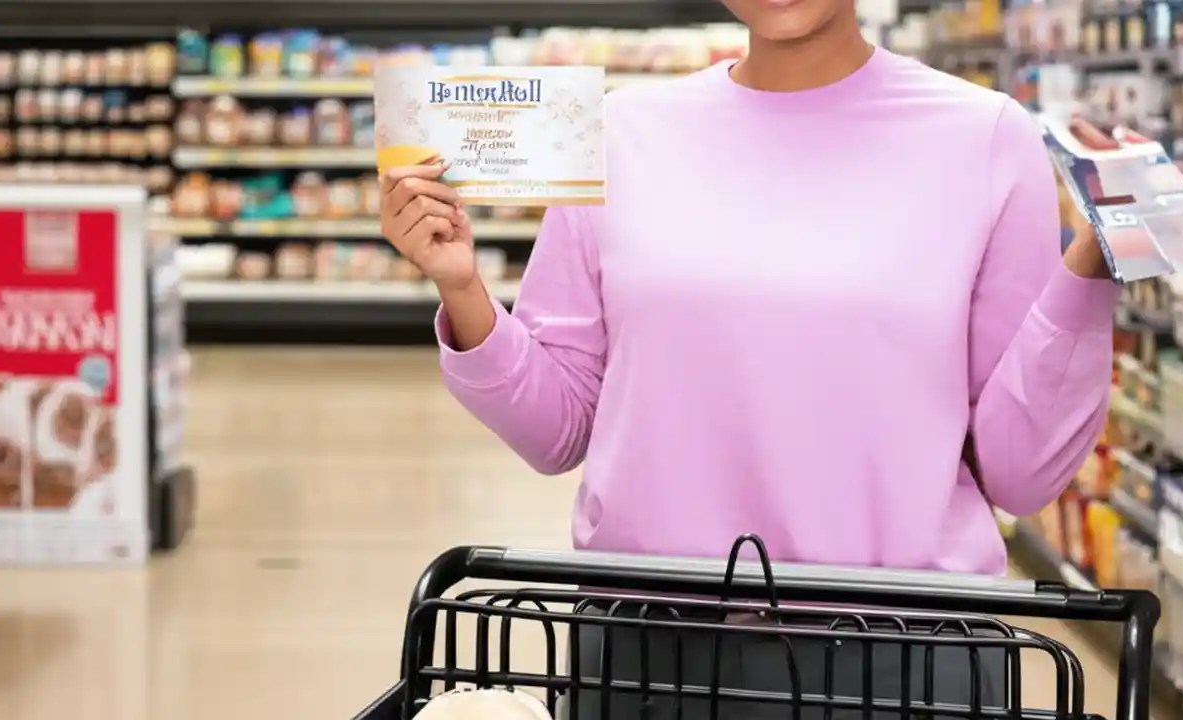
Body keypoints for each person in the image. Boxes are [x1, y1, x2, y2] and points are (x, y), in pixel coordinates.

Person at [378, 0, 1118, 714]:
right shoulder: (620, 133)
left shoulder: (983, 137)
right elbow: (559, 430)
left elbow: (1018, 473)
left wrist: (1089, 267)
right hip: (648, 645)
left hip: (906, 648)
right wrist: (464, 289)